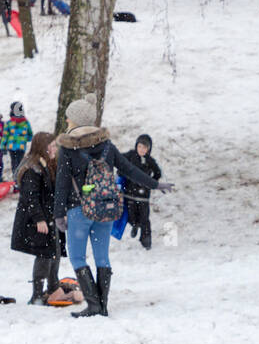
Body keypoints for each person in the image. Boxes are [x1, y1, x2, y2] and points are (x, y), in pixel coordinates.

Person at [53, 97, 172, 318]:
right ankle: (102, 305)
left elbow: (61, 183)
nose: (66, 119)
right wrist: (155, 184)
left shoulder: (68, 148)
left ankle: (94, 305)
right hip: (106, 208)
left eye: (69, 116)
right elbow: (129, 169)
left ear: (76, 120)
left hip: (78, 209)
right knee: (102, 257)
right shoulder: (106, 145)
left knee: (78, 258)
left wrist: (58, 214)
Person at [10, 132, 61, 304]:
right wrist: (39, 219)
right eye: (52, 146)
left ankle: (54, 287)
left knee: (55, 251)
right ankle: (37, 294)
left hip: (49, 216)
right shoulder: (33, 168)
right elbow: (30, 197)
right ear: (43, 148)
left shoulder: (46, 164)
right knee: (45, 253)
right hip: (37, 219)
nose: (55, 149)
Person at [121, 134, 162, 251]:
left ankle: (146, 240)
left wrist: (151, 183)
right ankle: (135, 225)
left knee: (145, 218)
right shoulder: (130, 155)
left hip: (143, 195)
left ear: (149, 149)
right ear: (136, 146)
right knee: (130, 215)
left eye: (145, 148)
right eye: (140, 147)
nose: (142, 150)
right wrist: (122, 173)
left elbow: (158, 172)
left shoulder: (150, 161)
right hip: (130, 194)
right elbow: (119, 161)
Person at [0, 101, 33, 185]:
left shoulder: (9, 123)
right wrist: (24, 139)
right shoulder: (25, 123)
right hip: (21, 146)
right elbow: (30, 135)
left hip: (11, 146)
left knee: (14, 163)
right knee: (20, 163)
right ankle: (20, 181)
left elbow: (5, 136)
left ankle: (15, 181)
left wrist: (3, 147)